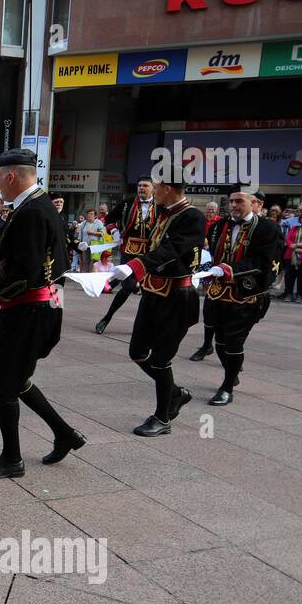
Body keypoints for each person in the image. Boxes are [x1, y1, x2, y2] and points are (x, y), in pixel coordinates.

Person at [0, 149, 84, 478]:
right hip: (41, 306)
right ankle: (65, 434)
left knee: (4, 385)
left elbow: (25, 272)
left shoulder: (32, 211)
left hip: (28, 309)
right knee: (19, 381)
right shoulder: (40, 205)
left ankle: (12, 459)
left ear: (11, 176)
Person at [107, 177, 206, 436]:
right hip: (153, 290)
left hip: (176, 295)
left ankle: (162, 418)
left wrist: (135, 266)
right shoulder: (163, 213)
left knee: (161, 360)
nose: (152, 191)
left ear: (167, 189)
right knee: (137, 351)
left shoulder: (192, 216)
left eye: (157, 187)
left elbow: (173, 248)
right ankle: (176, 393)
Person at [194, 191, 282, 406]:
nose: (233, 205)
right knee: (220, 342)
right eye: (231, 201)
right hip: (217, 293)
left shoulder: (267, 228)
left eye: (239, 201)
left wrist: (227, 269)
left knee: (234, 342)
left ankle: (226, 386)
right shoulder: (218, 226)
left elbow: (264, 261)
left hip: (247, 295)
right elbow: (211, 255)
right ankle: (232, 374)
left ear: (254, 204)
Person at [95, 178, 158, 335]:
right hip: (129, 249)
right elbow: (108, 220)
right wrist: (115, 231)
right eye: (139, 185)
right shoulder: (127, 202)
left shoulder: (160, 204)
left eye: (145, 186)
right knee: (129, 286)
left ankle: (143, 325)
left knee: (148, 290)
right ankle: (106, 318)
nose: (141, 188)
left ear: (153, 188)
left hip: (150, 252)